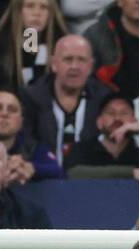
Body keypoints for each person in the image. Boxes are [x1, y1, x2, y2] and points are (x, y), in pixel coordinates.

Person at [19, 34, 110, 167]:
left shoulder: (104, 100)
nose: (74, 66)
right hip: (40, 180)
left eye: (81, 60)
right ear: (54, 64)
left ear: (90, 66)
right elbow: (25, 146)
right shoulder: (29, 98)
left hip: (91, 182)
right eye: (68, 59)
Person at [64, 90, 139, 197]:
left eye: (124, 113)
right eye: (111, 113)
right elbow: (72, 174)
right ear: (99, 122)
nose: (117, 118)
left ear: (133, 121)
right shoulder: (82, 149)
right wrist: (133, 173)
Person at [0, 0, 70, 90]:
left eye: (44, 7)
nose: (37, 13)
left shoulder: (64, 47)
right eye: (30, 6)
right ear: (18, 10)